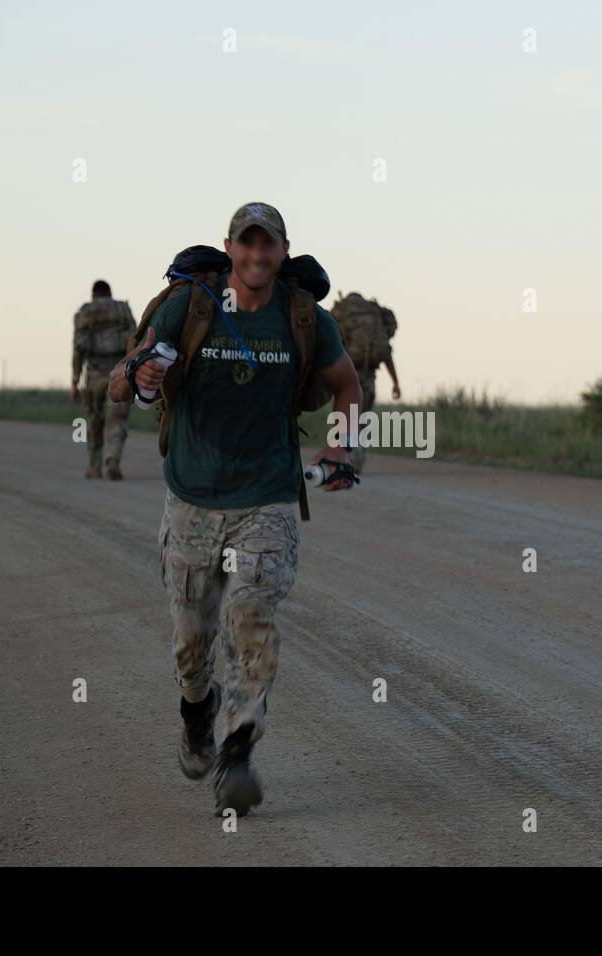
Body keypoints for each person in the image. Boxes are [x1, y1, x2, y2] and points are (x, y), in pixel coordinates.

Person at [108, 203, 362, 816]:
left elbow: (347, 385)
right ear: (230, 249)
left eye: (266, 246)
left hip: (268, 498)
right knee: (191, 645)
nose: (256, 256)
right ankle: (197, 713)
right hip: (193, 499)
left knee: (250, 617)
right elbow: (121, 384)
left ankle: (239, 750)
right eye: (246, 245)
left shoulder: (303, 317)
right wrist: (134, 374)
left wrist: (344, 444)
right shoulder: (188, 308)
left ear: (280, 251)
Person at [330, 291, 400, 471]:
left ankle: (348, 455)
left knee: (345, 416)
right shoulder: (374, 317)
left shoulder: (342, 315)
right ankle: (356, 454)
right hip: (369, 374)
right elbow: (386, 353)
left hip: (347, 372)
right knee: (363, 416)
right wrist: (395, 383)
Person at [72, 280, 135, 479]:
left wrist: (75, 380)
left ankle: (94, 466)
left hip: (94, 375)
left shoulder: (85, 312)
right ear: (110, 292)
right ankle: (113, 459)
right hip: (120, 373)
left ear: (94, 294)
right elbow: (135, 341)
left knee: (94, 421)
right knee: (117, 420)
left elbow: (78, 349)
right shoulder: (122, 310)